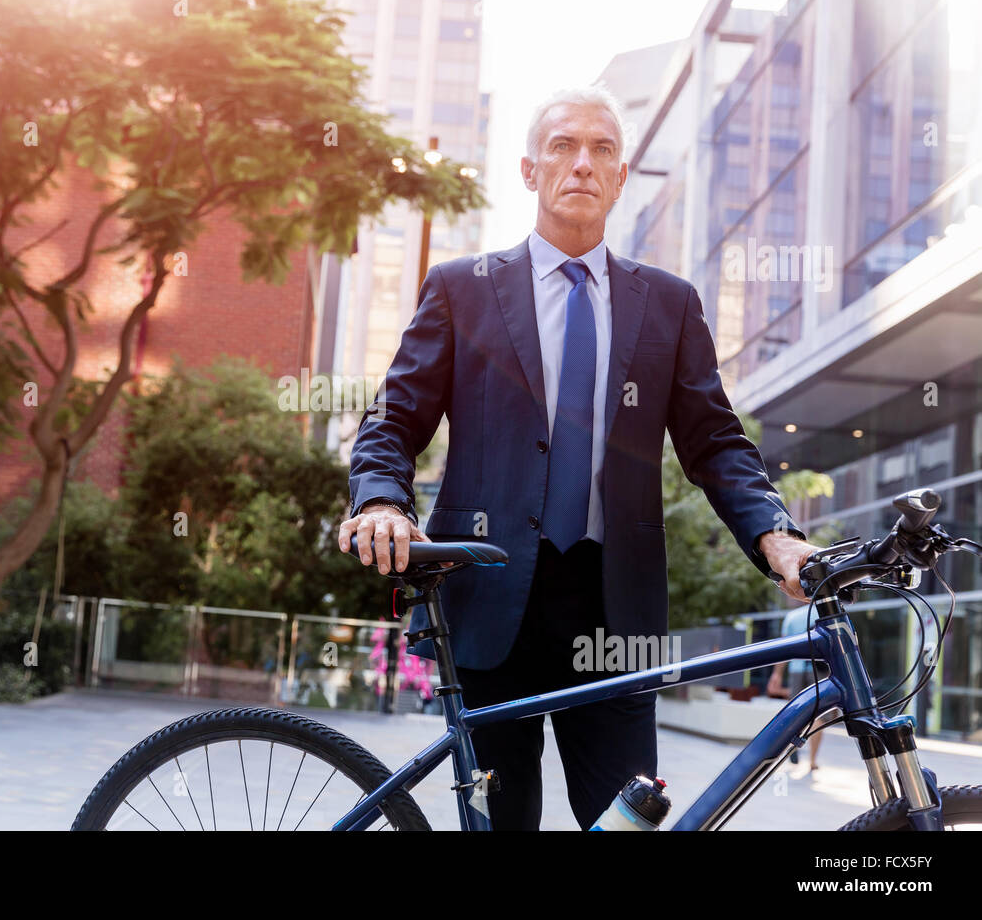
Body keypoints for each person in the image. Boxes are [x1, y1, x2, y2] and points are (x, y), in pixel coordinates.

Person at [338, 85, 820, 830]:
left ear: (622, 178)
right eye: (563, 146)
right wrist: (379, 500)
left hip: (613, 609)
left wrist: (774, 535)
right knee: (501, 824)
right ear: (530, 171)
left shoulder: (669, 303)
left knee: (628, 820)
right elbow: (393, 418)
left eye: (602, 150)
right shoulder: (462, 290)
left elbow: (715, 442)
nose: (582, 164)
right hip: (490, 592)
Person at [767, 600, 825, 773]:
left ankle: (793, 745)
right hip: (820, 669)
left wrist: (777, 674)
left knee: (798, 711)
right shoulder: (823, 611)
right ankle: (813, 760)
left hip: (797, 670)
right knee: (818, 716)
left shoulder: (792, 617)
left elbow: (785, 649)